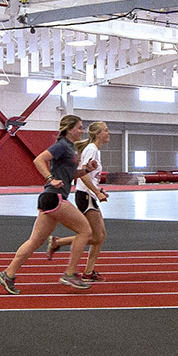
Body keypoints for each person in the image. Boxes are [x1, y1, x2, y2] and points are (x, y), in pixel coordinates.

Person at [0, 114, 101, 294]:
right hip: (55, 197)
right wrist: (50, 178)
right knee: (86, 231)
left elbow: (69, 174)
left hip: (50, 199)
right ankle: (70, 273)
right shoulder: (61, 145)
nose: (82, 131)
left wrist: (87, 170)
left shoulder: (71, 148)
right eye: (79, 127)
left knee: (35, 240)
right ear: (70, 129)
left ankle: (8, 274)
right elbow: (38, 159)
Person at [46, 120, 110, 281]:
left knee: (100, 236)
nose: (108, 133)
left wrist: (99, 190)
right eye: (106, 130)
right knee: (95, 236)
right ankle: (58, 242)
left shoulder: (96, 150)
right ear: (97, 134)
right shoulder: (91, 149)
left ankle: (89, 271)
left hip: (90, 195)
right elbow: (83, 175)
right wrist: (96, 192)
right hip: (85, 195)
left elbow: (91, 176)